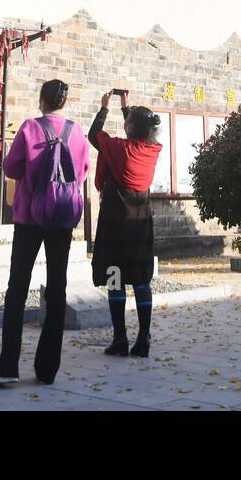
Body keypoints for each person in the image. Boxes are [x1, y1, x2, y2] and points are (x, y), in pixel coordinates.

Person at [0, 78, 90, 386]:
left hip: (29, 218)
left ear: (41, 99)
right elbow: (82, 172)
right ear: (64, 102)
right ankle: (47, 370)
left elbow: (11, 168)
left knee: (17, 288)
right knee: (57, 289)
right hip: (61, 220)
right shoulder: (77, 132)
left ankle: (7, 367)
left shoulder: (30, 128)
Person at [88, 89, 162, 359]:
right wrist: (126, 107)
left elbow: (94, 135)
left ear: (130, 127)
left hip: (115, 222)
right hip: (141, 222)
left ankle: (119, 338)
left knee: (115, 279)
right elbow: (137, 129)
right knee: (142, 281)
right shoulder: (151, 150)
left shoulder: (118, 148)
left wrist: (105, 108)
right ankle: (144, 338)